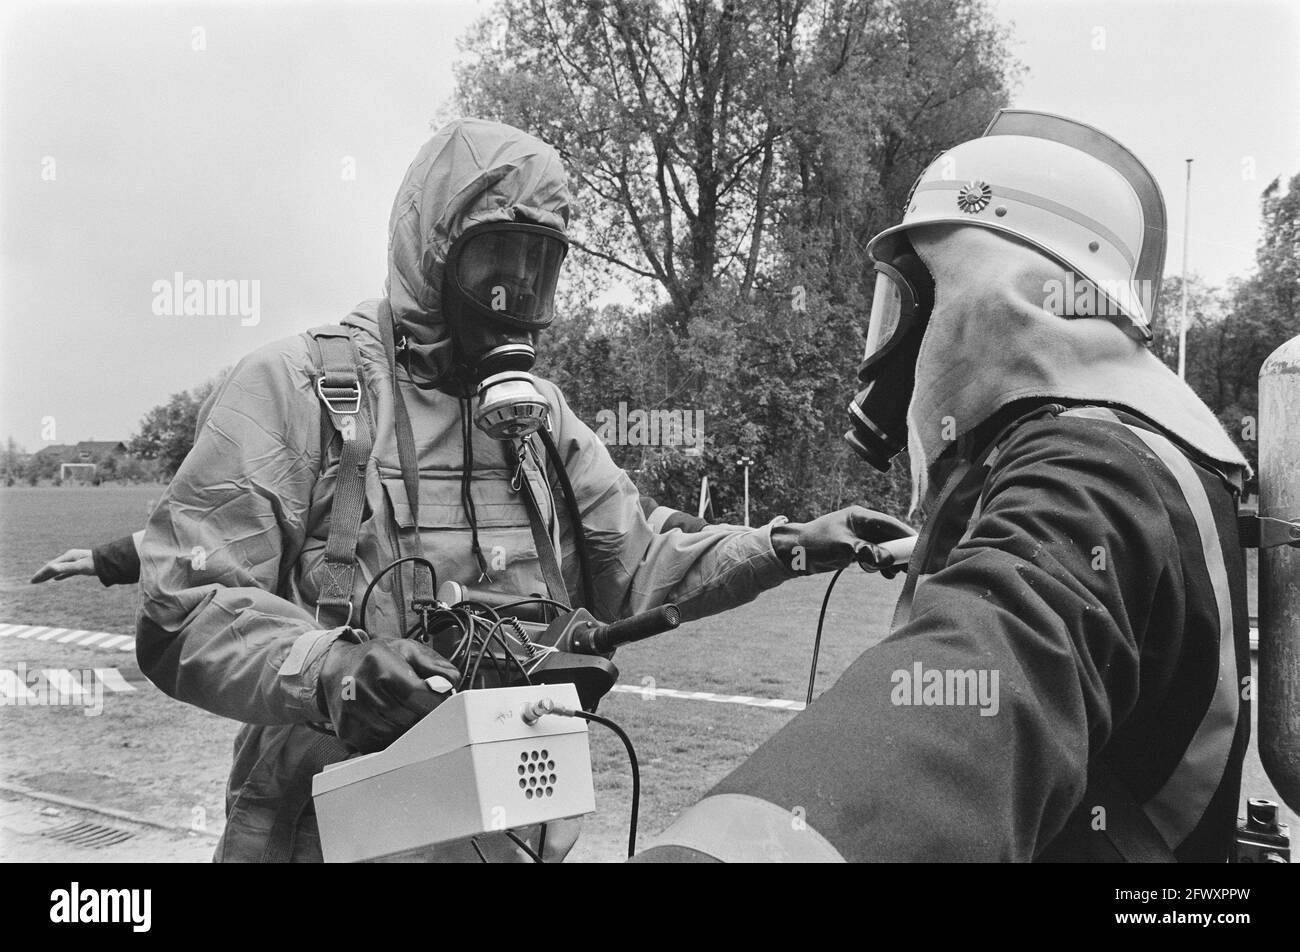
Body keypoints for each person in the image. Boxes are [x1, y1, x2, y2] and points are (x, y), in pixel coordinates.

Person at [129, 118, 911, 863]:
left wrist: (786, 548)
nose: (517, 292)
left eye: (540, 266)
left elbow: (638, 561)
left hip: (507, 835)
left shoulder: (540, 420)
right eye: (495, 261)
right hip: (324, 836)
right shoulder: (299, 389)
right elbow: (183, 607)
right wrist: (333, 672)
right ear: (432, 255)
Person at [633, 111, 1252, 863]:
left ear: (988, 292)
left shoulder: (1098, 468)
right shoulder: (1127, 449)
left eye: (910, 302)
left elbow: (995, 663)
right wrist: (944, 544)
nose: (891, 348)